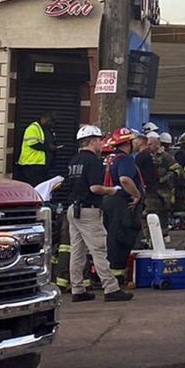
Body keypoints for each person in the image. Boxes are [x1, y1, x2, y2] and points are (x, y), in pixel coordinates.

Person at [65, 125, 132, 303]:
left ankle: (78, 289)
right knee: (99, 251)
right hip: (89, 211)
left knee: (77, 252)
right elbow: (94, 188)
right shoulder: (93, 161)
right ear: (93, 141)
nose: (101, 144)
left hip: (73, 209)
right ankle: (111, 288)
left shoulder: (74, 161)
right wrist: (112, 190)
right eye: (99, 140)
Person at [103, 128, 145, 287]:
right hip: (122, 203)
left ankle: (110, 275)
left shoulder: (109, 158)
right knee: (121, 239)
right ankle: (118, 278)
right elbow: (125, 179)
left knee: (111, 238)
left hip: (108, 201)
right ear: (127, 143)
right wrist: (137, 195)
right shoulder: (124, 159)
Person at [16, 113, 56, 187]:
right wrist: (49, 147)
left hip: (41, 165)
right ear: (44, 118)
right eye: (50, 121)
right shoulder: (33, 128)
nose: (51, 123)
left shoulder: (47, 130)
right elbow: (32, 143)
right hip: (31, 165)